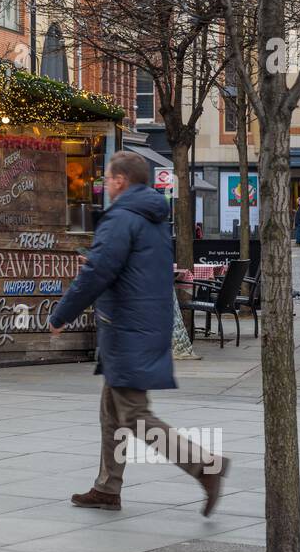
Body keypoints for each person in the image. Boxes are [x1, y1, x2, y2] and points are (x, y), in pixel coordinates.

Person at [49, 150, 229, 516]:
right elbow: (129, 268)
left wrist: (61, 314)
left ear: (120, 181)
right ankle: (107, 487)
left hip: (128, 328)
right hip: (143, 323)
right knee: (112, 414)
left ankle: (204, 465)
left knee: (133, 415)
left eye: (108, 179)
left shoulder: (121, 218)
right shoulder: (152, 218)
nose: (105, 185)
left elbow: (98, 273)